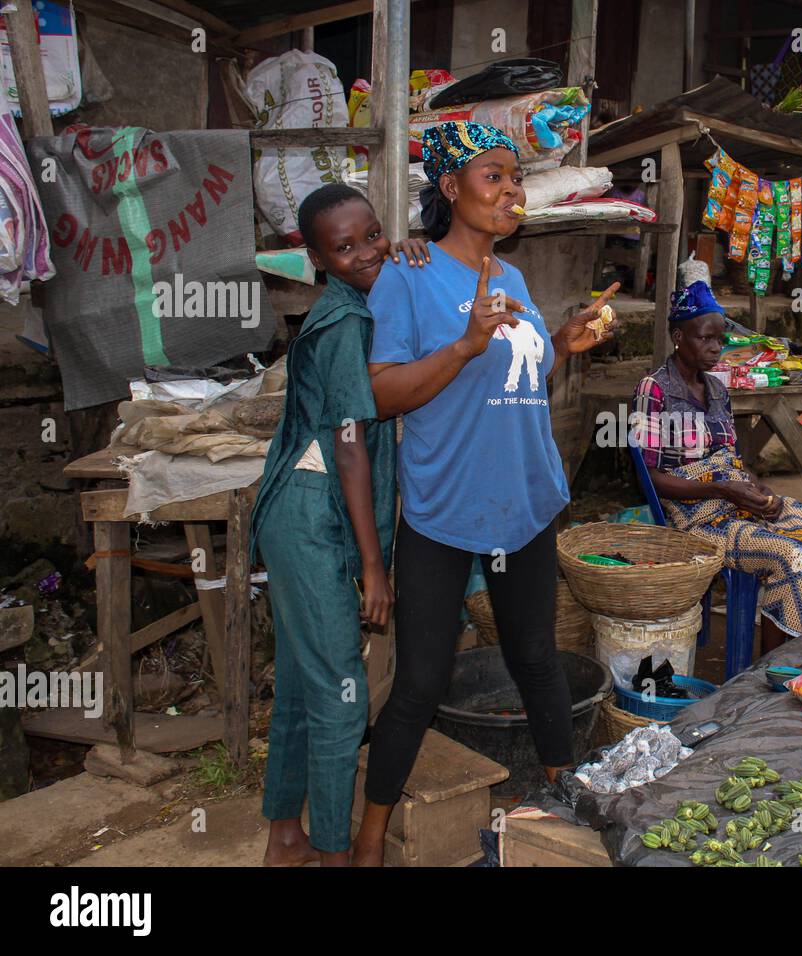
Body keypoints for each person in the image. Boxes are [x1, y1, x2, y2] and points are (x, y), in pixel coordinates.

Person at [351, 121, 617, 866]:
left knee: (536, 657)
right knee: (420, 681)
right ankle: (372, 836)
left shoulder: (514, 279)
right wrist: (463, 343)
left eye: (515, 177)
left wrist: (560, 345)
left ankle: (566, 801)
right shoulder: (409, 275)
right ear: (449, 189)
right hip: (445, 508)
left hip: (523, 502)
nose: (511, 190)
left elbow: (517, 383)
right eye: (492, 176)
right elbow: (380, 396)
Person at [248, 184, 428, 866]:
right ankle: (331, 850)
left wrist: (410, 253)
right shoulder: (346, 323)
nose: (365, 254)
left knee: (301, 685)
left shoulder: (355, 303)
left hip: (298, 509)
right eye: (344, 248)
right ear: (317, 258)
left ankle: (285, 836)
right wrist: (374, 565)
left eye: (373, 235)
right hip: (311, 519)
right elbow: (350, 443)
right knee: (343, 702)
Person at [631, 278, 802, 655]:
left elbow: (734, 463)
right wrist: (721, 489)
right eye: (704, 339)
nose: (715, 349)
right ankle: (772, 668)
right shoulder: (655, 389)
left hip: (735, 502)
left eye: (720, 340)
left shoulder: (717, 389)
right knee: (790, 555)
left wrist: (759, 492)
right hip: (693, 516)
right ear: (678, 336)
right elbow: (650, 477)